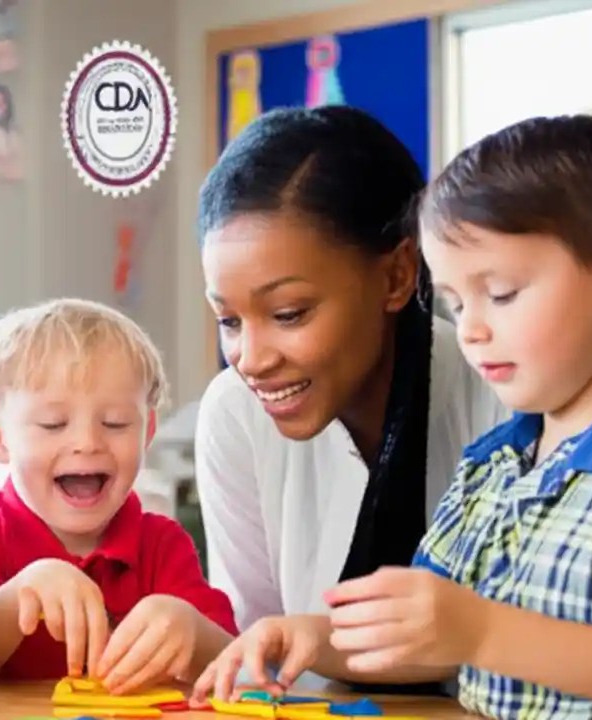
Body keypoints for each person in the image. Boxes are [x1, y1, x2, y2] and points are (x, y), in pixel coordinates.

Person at [197, 115, 592, 718]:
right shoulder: (494, 465)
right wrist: (312, 637)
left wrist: (481, 631)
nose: (472, 329)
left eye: (502, 294)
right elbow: (424, 638)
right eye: (457, 302)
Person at [193, 107, 506, 675]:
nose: (251, 360)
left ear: (396, 275)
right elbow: (253, 652)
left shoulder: (501, 392)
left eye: (288, 313)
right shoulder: (234, 414)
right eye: (229, 320)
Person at [0, 299, 236, 695]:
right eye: (53, 424)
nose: (87, 442)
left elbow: (234, 661)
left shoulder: (162, 545)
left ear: (147, 432)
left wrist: (190, 627)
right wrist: (20, 594)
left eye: (115, 423)